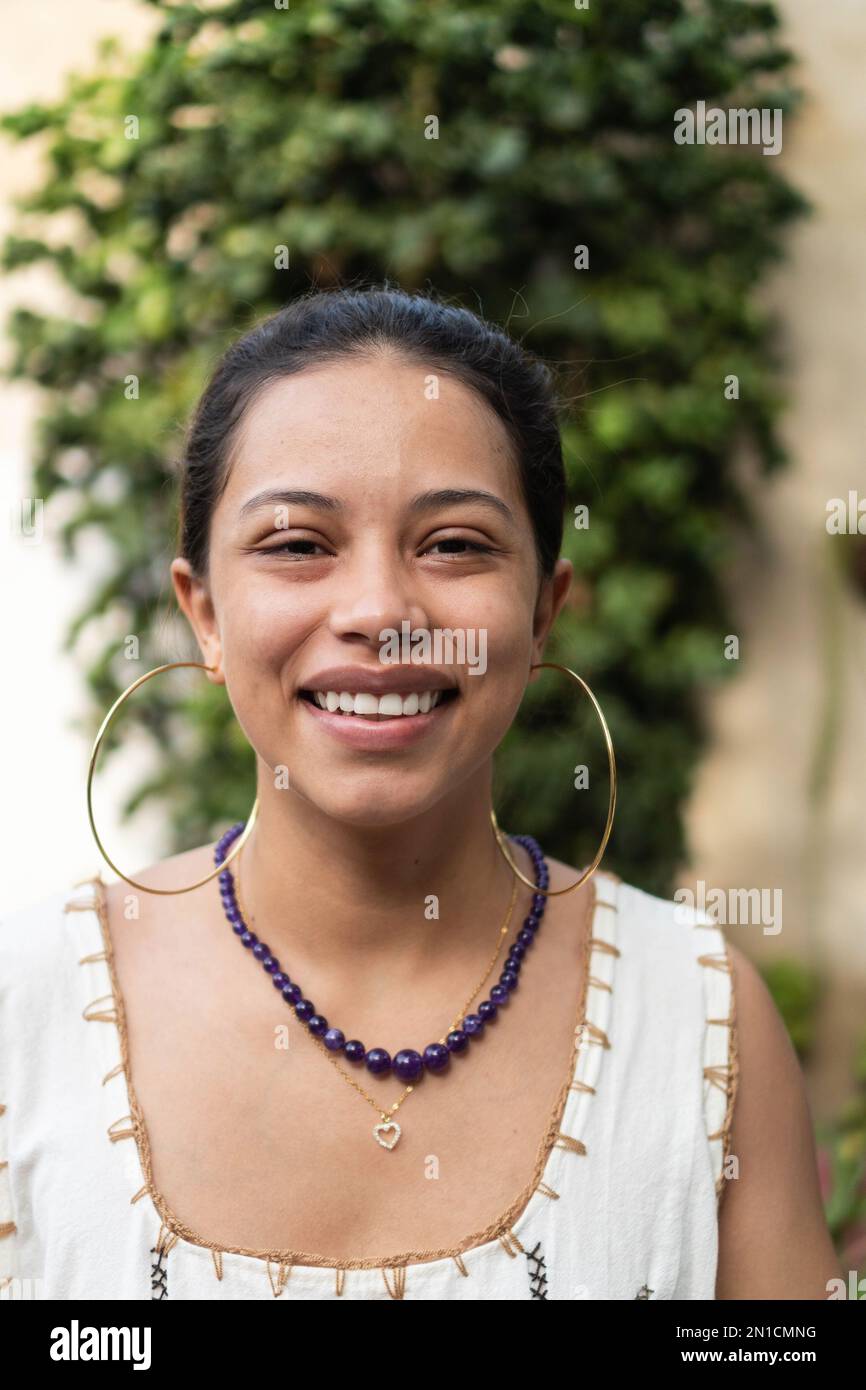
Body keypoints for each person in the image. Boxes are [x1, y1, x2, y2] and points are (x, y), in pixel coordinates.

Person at [0, 285, 841, 1300]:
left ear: (542, 612)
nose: (380, 612)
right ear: (204, 613)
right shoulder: (28, 1012)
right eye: (298, 544)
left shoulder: (700, 1024)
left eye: (451, 544)